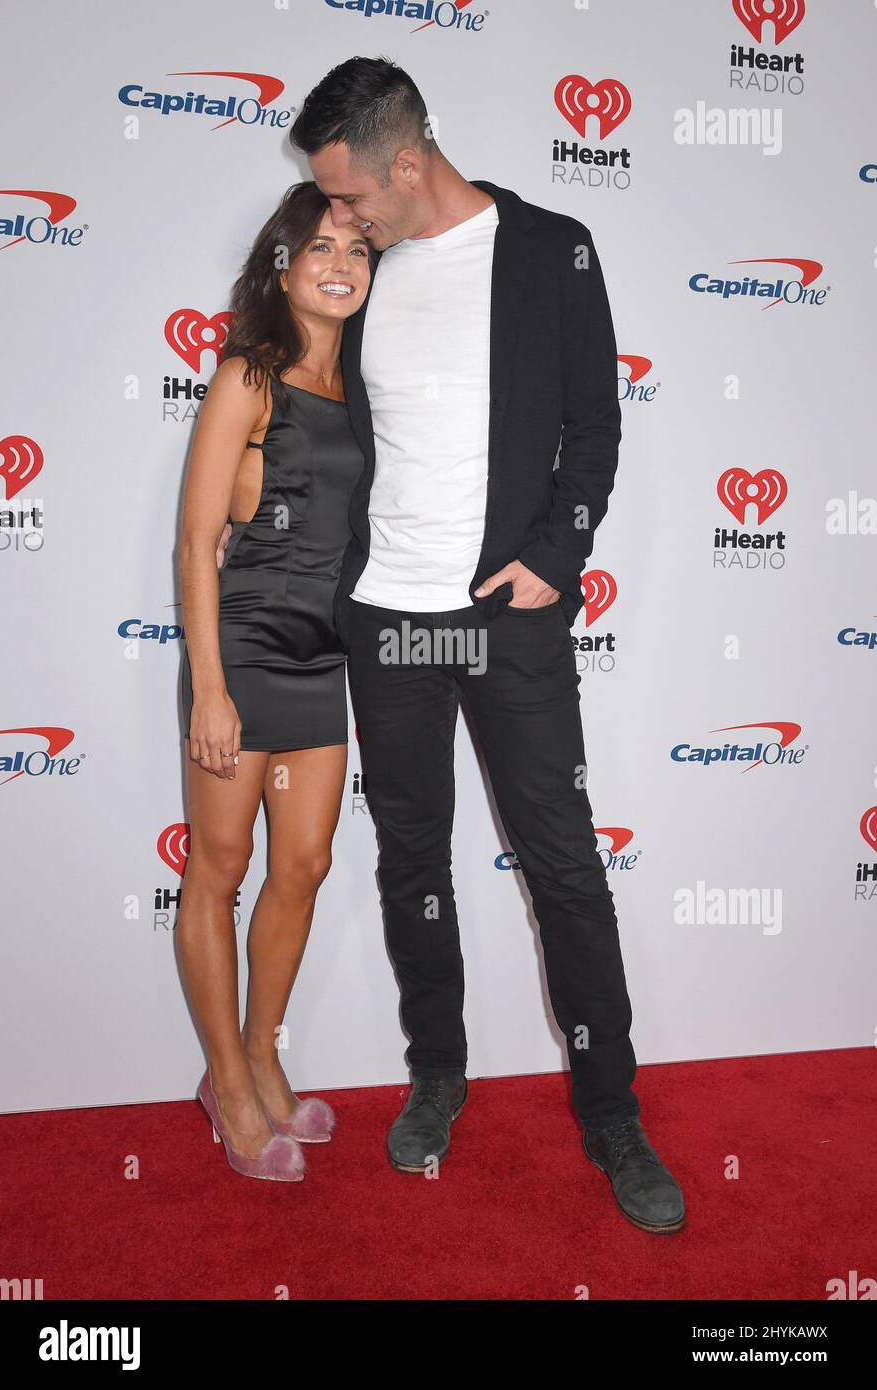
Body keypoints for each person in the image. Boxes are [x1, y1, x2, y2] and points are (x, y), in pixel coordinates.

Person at [281, 57, 686, 1232]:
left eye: (354, 198)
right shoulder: (365, 275)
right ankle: (438, 1073)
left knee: (562, 862)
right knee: (414, 862)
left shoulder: (552, 247)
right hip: (390, 618)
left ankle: (613, 1114)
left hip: (507, 620)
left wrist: (556, 557)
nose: (342, 223)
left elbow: (593, 426)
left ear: (407, 164)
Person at [177, 181, 370, 1181]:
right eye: (320, 247)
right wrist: (211, 687)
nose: (340, 265)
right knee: (217, 870)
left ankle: (261, 1054)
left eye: (358, 249)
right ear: (284, 263)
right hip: (244, 652)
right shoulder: (249, 377)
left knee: (302, 868)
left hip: (325, 659)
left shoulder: (367, 388)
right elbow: (197, 537)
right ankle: (225, 1078)